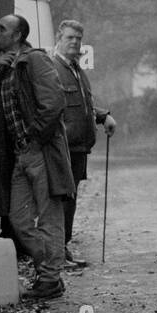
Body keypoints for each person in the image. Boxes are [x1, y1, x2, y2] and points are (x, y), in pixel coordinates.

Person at [0, 14, 74, 300]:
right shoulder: (9, 64)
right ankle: (50, 269)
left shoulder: (34, 60)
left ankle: (49, 279)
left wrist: (34, 137)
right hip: (21, 154)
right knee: (18, 219)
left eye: (1, 28)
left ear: (17, 35)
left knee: (49, 217)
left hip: (40, 151)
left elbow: (54, 103)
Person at [50, 20, 116, 268]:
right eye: (70, 38)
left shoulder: (76, 69)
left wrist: (103, 116)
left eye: (78, 39)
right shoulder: (54, 68)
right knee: (62, 200)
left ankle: (62, 250)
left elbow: (84, 104)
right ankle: (58, 253)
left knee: (71, 199)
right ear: (59, 37)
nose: (75, 43)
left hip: (78, 148)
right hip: (62, 148)